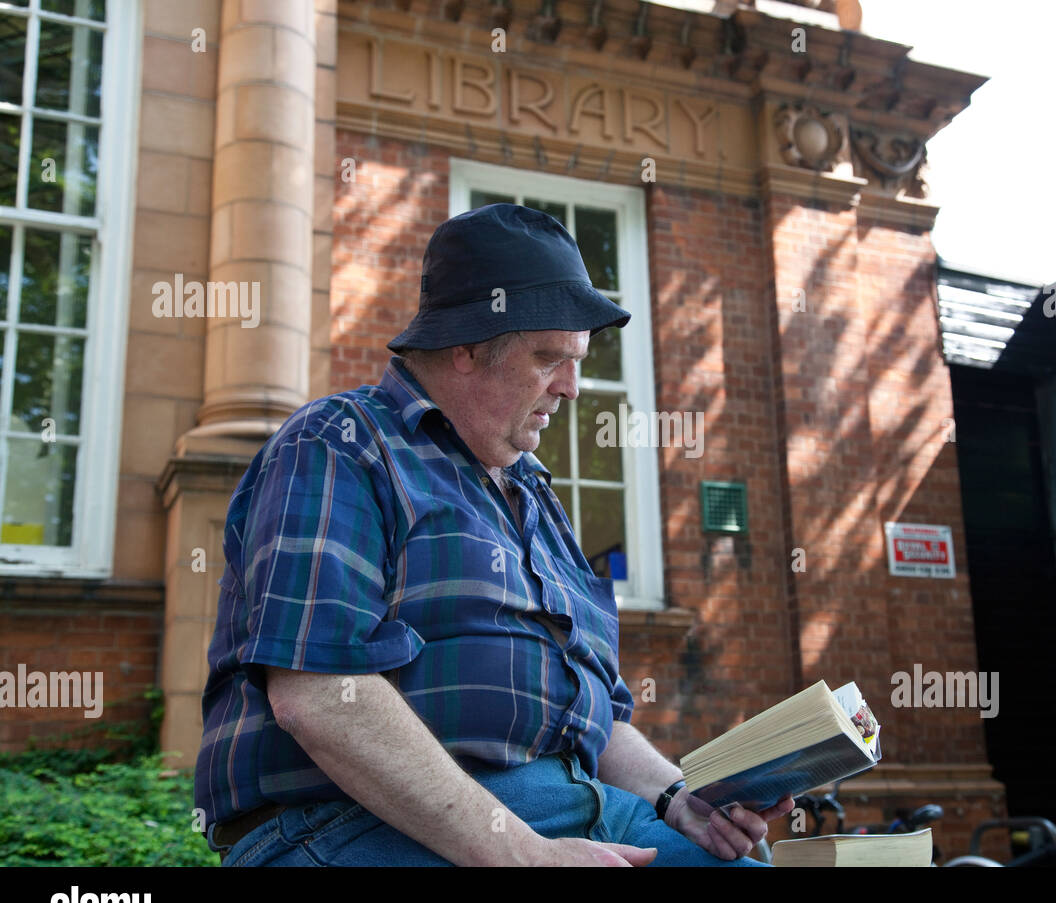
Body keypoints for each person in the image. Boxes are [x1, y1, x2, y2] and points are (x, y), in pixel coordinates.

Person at [195, 203, 793, 865]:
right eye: (549, 358)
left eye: (577, 361)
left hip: (570, 808)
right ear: (468, 348)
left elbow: (600, 723)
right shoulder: (341, 443)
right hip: (351, 824)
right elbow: (321, 697)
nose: (571, 388)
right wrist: (523, 855)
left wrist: (677, 797)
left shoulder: (536, 495)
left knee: (739, 861)